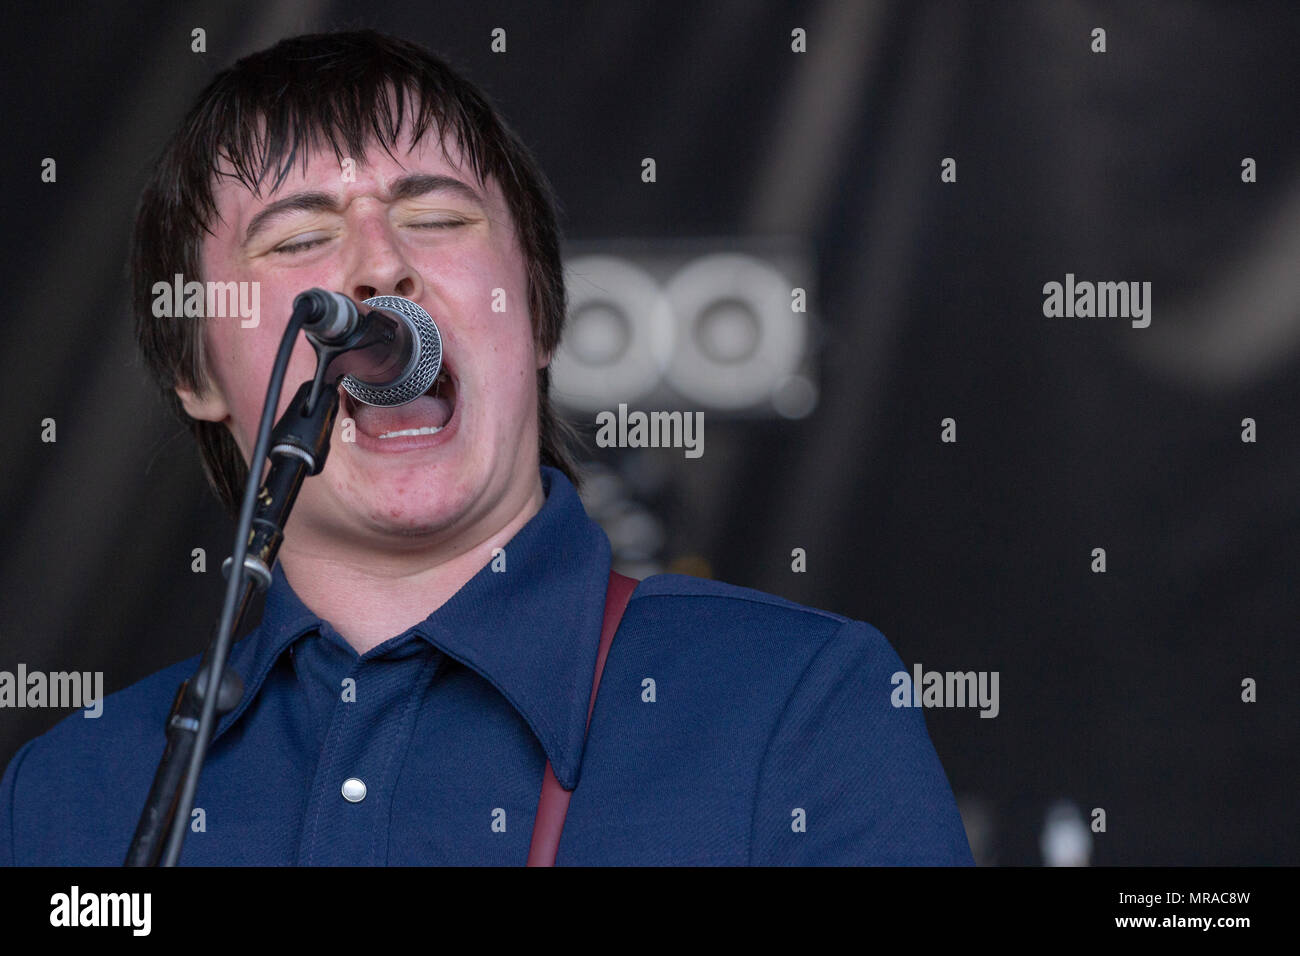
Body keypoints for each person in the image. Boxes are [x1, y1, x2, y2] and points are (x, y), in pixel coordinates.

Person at [0, 29, 973, 866]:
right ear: (196, 369)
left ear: (540, 315)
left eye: (436, 217)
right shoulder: (71, 792)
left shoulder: (796, 701)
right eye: (296, 239)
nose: (379, 262)